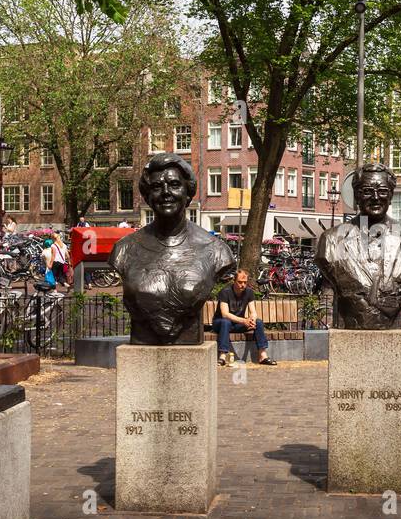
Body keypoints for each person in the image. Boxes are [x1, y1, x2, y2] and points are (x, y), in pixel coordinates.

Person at [109, 153, 236, 345]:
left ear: (188, 192)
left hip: (190, 339)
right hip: (141, 343)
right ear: (147, 196)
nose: (166, 192)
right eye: (156, 187)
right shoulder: (124, 250)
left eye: (174, 185)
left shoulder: (217, 251)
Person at [315, 163, 401, 329]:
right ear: (356, 195)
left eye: (382, 191)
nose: (376, 197)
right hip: (350, 325)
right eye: (368, 191)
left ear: (391, 195)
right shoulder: (331, 240)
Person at [214, 269, 277, 366]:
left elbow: (253, 312)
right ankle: (222, 356)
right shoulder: (225, 292)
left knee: (258, 322)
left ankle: (262, 355)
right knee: (225, 322)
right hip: (221, 323)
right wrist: (244, 321)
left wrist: (252, 319)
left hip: (237, 324)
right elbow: (225, 314)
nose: (242, 285)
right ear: (234, 281)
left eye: (245, 282)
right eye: (240, 282)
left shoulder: (249, 292)